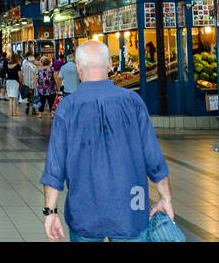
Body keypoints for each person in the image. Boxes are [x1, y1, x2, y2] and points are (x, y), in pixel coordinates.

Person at [41, 40, 173, 242]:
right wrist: (166, 198)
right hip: (131, 209)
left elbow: (55, 166)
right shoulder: (133, 102)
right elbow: (153, 158)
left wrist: (50, 212)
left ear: (78, 66)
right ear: (110, 64)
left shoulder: (68, 107)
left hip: (84, 211)